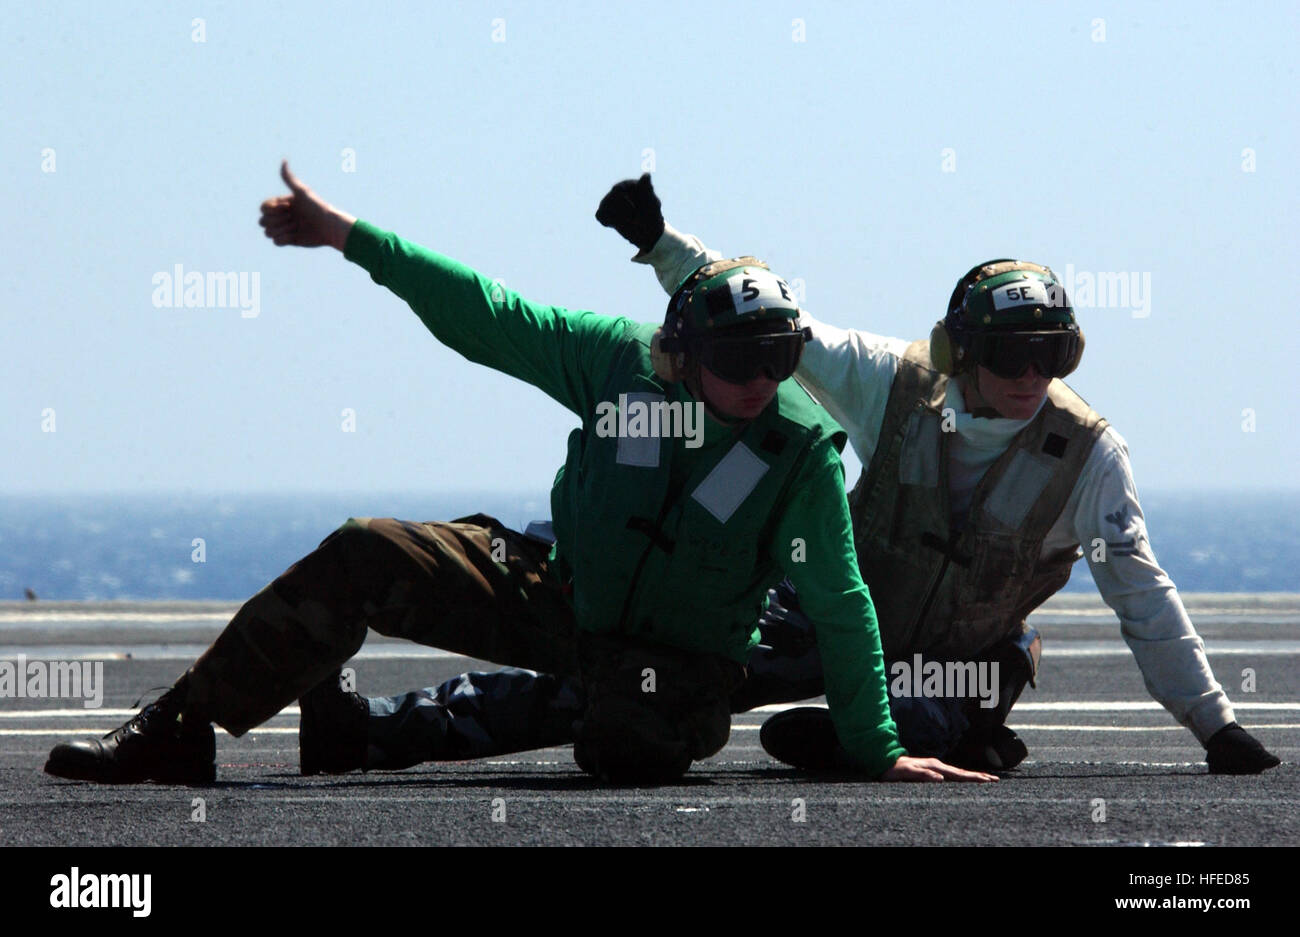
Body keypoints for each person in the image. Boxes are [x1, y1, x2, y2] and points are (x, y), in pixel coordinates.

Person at [42, 162, 995, 786]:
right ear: (683, 344)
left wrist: (881, 752)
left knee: (628, 744)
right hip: (563, 595)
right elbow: (483, 311)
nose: (762, 383)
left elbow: (841, 601)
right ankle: (180, 727)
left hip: (682, 663)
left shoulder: (798, 446)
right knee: (366, 551)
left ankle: (374, 731)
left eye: (779, 362)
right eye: (741, 363)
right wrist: (349, 238)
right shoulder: (614, 360)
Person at [332, 174, 1279, 778]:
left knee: (952, 698)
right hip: (822, 611)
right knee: (632, 681)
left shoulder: (1088, 458)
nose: (1032, 375)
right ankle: (377, 730)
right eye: (1012, 352)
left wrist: (1215, 725)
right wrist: (664, 247)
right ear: (963, 347)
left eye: (1051, 355)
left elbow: (1141, 592)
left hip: (950, 657)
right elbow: (771, 325)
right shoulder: (897, 384)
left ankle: (885, 737)